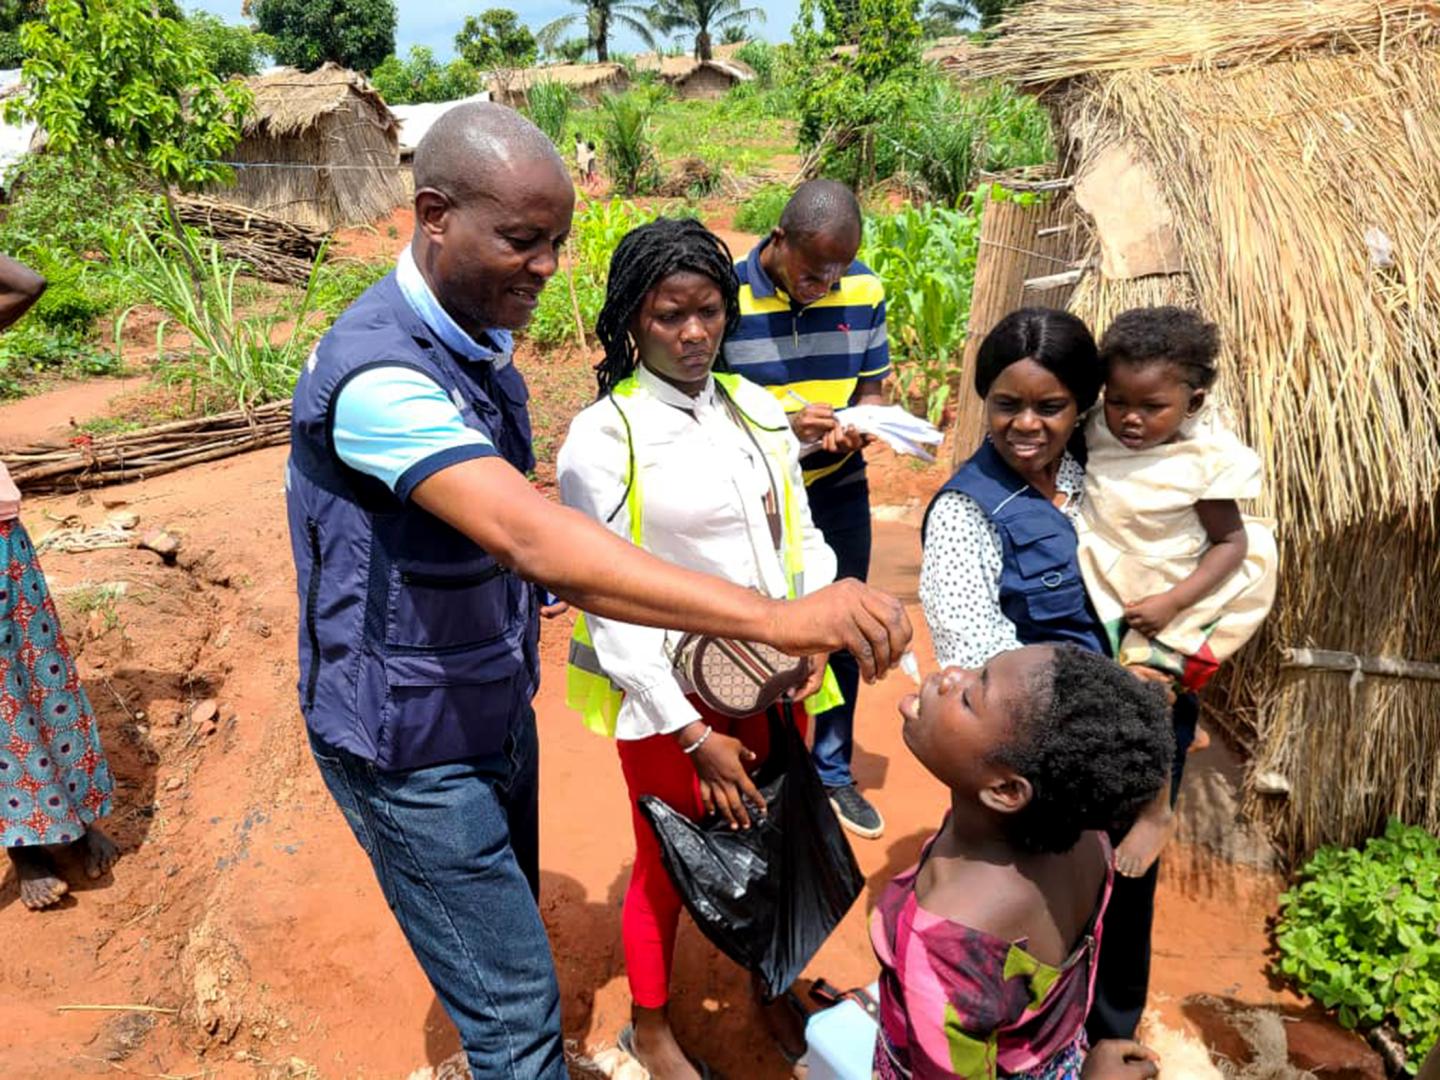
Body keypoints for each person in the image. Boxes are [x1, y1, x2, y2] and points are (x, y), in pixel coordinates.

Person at [283, 103, 911, 1079]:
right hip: (405, 736)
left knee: (539, 914)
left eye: (557, 244)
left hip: (490, 704)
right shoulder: (383, 378)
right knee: (517, 1011)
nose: (545, 266)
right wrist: (771, 632)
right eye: (523, 240)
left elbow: (786, 536)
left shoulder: (482, 352)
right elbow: (542, 543)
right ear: (435, 213)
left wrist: (800, 628)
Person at [559, 216, 843, 1078]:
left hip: (771, 682)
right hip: (668, 698)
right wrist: (692, 734)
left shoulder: (755, 409)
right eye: (668, 315)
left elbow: (800, 533)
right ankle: (650, 1030)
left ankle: (770, 979)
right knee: (669, 859)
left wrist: (820, 621)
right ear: (630, 321)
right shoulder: (606, 438)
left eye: (710, 312)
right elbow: (607, 603)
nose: (693, 333)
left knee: (775, 835)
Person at [916, 307, 1189, 1045]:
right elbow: (978, 660)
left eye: (1051, 406)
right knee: (1041, 903)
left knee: (1129, 897)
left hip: (1150, 707)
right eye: (1007, 405)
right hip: (1048, 755)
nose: (1027, 425)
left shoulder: (1107, 463)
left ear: (1084, 405)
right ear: (985, 401)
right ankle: (1030, 1040)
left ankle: (1110, 1034)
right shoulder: (966, 515)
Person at [872, 645, 1173, 1079]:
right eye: (977, 670)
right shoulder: (1089, 841)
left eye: (971, 698)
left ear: (1007, 791)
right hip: (1055, 1057)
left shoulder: (947, 942)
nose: (951, 674)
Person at [1077, 307, 1277, 877]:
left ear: (1193, 402)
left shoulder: (1202, 463)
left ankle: (1156, 808)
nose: (1131, 419)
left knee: (1151, 692)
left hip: (1169, 591)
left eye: (1152, 407)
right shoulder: (1097, 431)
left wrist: (1173, 604)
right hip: (1108, 577)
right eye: (1119, 402)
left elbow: (1231, 546)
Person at [722, 179, 891, 840]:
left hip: (837, 481)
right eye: (811, 270)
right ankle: (769, 766)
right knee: (760, 625)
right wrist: (782, 424)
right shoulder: (724, 296)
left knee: (845, 620)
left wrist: (862, 423)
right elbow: (706, 403)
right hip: (754, 493)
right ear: (779, 239)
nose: (824, 283)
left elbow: (874, 389)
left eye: (837, 270)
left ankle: (832, 771)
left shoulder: (865, 288)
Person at [0, 254, 119, 910]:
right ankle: (23, 847)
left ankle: (72, 820)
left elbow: (27, 283)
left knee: (43, 683)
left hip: (4, 541)